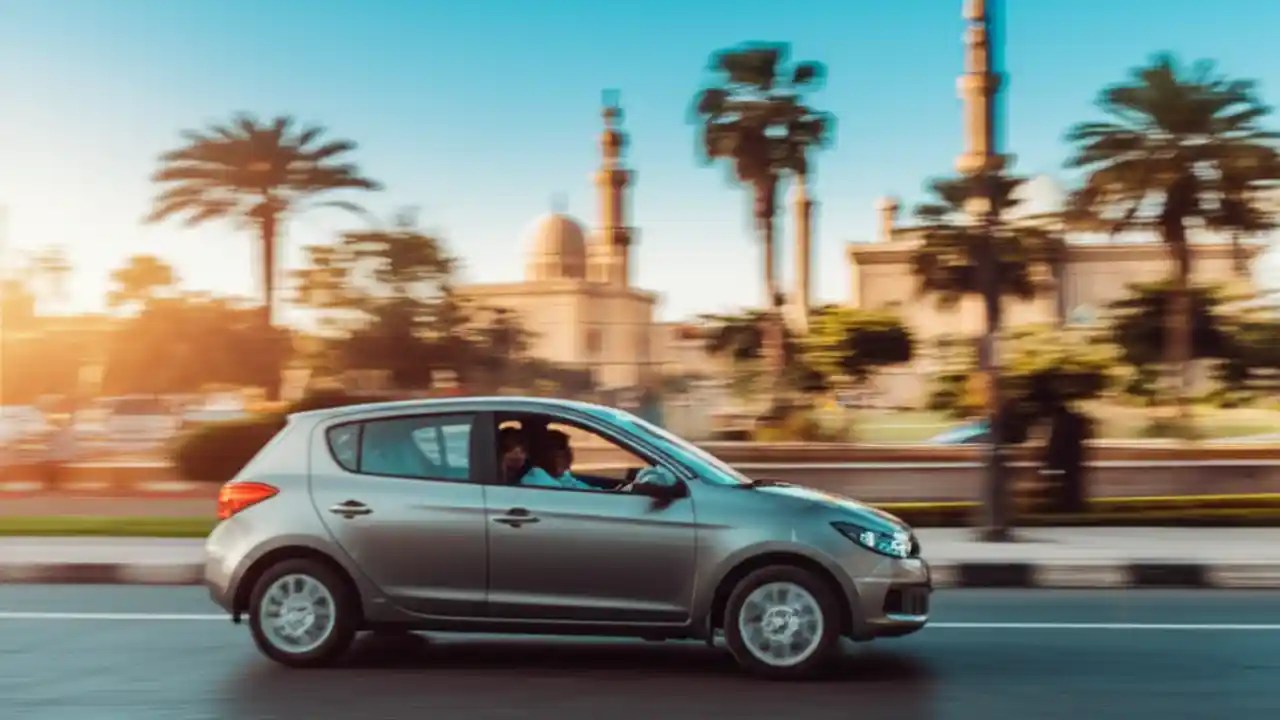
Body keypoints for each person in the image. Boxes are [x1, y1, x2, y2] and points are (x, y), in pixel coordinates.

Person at [518, 429, 597, 490]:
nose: (570, 456)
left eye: (569, 450)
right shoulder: (538, 481)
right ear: (546, 455)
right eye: (564, 452)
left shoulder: (562, 477)